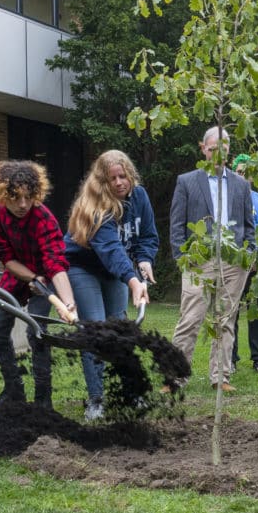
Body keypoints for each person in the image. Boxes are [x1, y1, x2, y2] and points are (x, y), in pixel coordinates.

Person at [63, 150, 155, 420]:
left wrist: (145, 260)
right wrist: (133, 281)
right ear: (103, 181)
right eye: (112, 178)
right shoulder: (96, 206)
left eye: (123, 176)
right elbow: (112, 250)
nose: (119, 182)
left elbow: (147, 236)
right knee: (96, 329)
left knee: (120, 327)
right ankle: (96, 399)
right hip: (83, 267)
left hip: (116, 268)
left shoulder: (140, 197)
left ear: (130, 175)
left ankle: (130, 391)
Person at [0, 160, 77, 409]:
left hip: (47, 277)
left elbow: (55, 264)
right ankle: (14, 390)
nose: (23, 204)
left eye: (28, 197)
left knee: (38, 332)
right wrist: (30, 278)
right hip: (18, 273)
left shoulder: (44, 217)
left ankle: (43, 399)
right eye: (15, 197)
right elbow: (6, 257)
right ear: (3, 194)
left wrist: (67, 303)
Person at [168, 127, 255, 392]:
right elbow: (177, 224)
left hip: (233, 261)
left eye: (224, 148)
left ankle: (221, 378)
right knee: (190, 318)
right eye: (213, 148)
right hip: (198, 260)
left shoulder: (241, 184)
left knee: (225, 320)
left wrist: (247, 255)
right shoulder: (187, 181)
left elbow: (248, 224)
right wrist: (182, 257)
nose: (219, 153)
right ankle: (175, 377)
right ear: (203, 148)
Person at [230, 154, 258, 374]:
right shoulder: (226, 200)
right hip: (234, 266)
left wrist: (256, 253)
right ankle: (230, 358)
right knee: (231, 313)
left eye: (248, 172)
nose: (243, 176)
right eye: (239, 172)